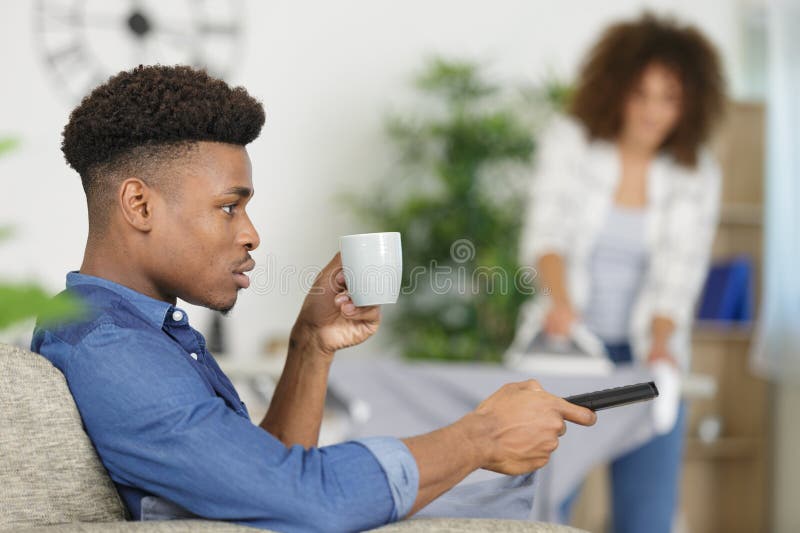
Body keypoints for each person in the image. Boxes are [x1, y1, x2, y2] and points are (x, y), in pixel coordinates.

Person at [31, 64, 596, 532]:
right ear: (139, 204)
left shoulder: (139, 331)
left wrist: (310, 343)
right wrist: (481, 435)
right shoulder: (110, 347)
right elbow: (303, 500)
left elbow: (256, 488)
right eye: (230, 206)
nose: (251, 233)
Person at [513, 13, 725, 533]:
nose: (653, 111)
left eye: (668, 97)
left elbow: (680, 273)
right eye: (641, 93)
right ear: (615, 88)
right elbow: (546, 238)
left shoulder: (697, 173)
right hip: (571, 354)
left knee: (648, 519)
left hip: (646, 364)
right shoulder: (571, 142)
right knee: (542, 509)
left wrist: (660, 344)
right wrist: (560, 305)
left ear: (689, 103)